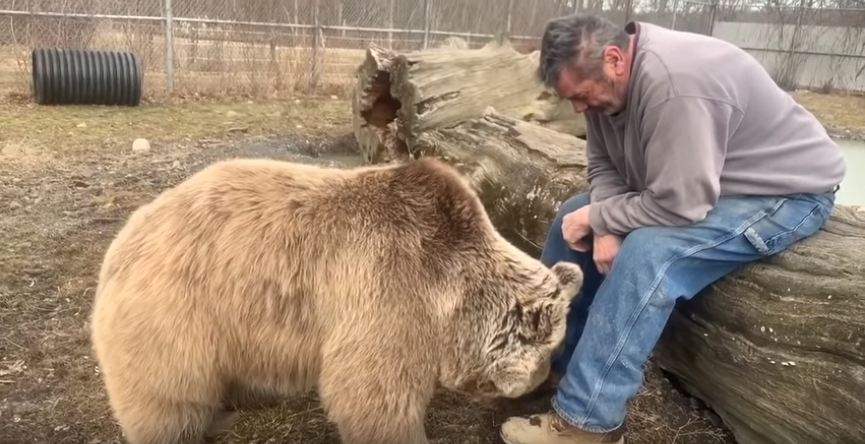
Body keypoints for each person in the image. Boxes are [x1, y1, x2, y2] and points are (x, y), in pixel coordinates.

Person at [498, 13, 847, 444]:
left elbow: (683, 205)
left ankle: (587, 422)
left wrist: (604, 216)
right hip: (710, 186)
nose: (577, 108)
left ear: (613, 59)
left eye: (582, 96)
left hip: (783, 195)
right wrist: (603, 224)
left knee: (647, 254)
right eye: (570, 99)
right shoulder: (604, 84)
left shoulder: (676, 85)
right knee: (572, 219)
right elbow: (603, 164)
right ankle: (551, 364)